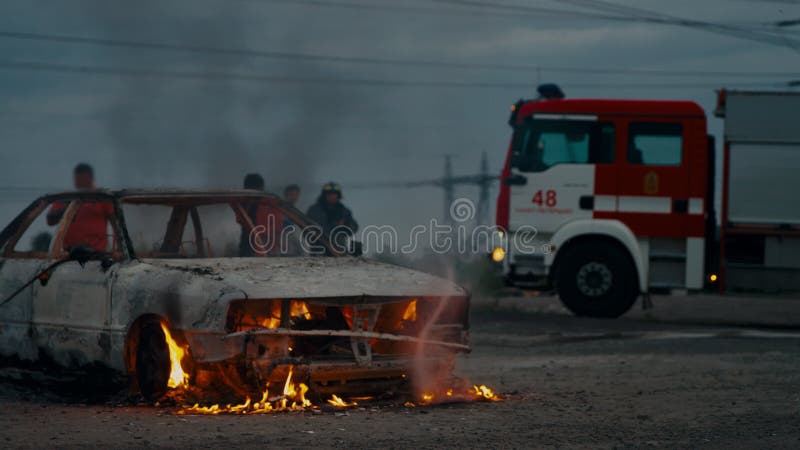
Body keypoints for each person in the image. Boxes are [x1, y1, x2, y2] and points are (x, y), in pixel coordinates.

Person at [47, 163, 115, 253]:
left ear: (91, 179)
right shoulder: (67, 198)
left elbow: (116, 224)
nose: (81, 186)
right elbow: (50, 220)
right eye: (78, 182)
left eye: (84, 182)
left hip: (98, 256)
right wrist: (69, 207)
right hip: (67, 256)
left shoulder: (103, 198)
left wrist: (119, 250)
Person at [306, 182, 358, 252]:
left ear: (338, 195)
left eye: (334, 194)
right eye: (329, 194)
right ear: (324, 195)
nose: (332, 196)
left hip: (339, 249)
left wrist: (343, 228)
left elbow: (354, 226)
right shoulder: (314, 210)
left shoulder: (344, 211)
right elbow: (305, 228)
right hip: (319, 248)